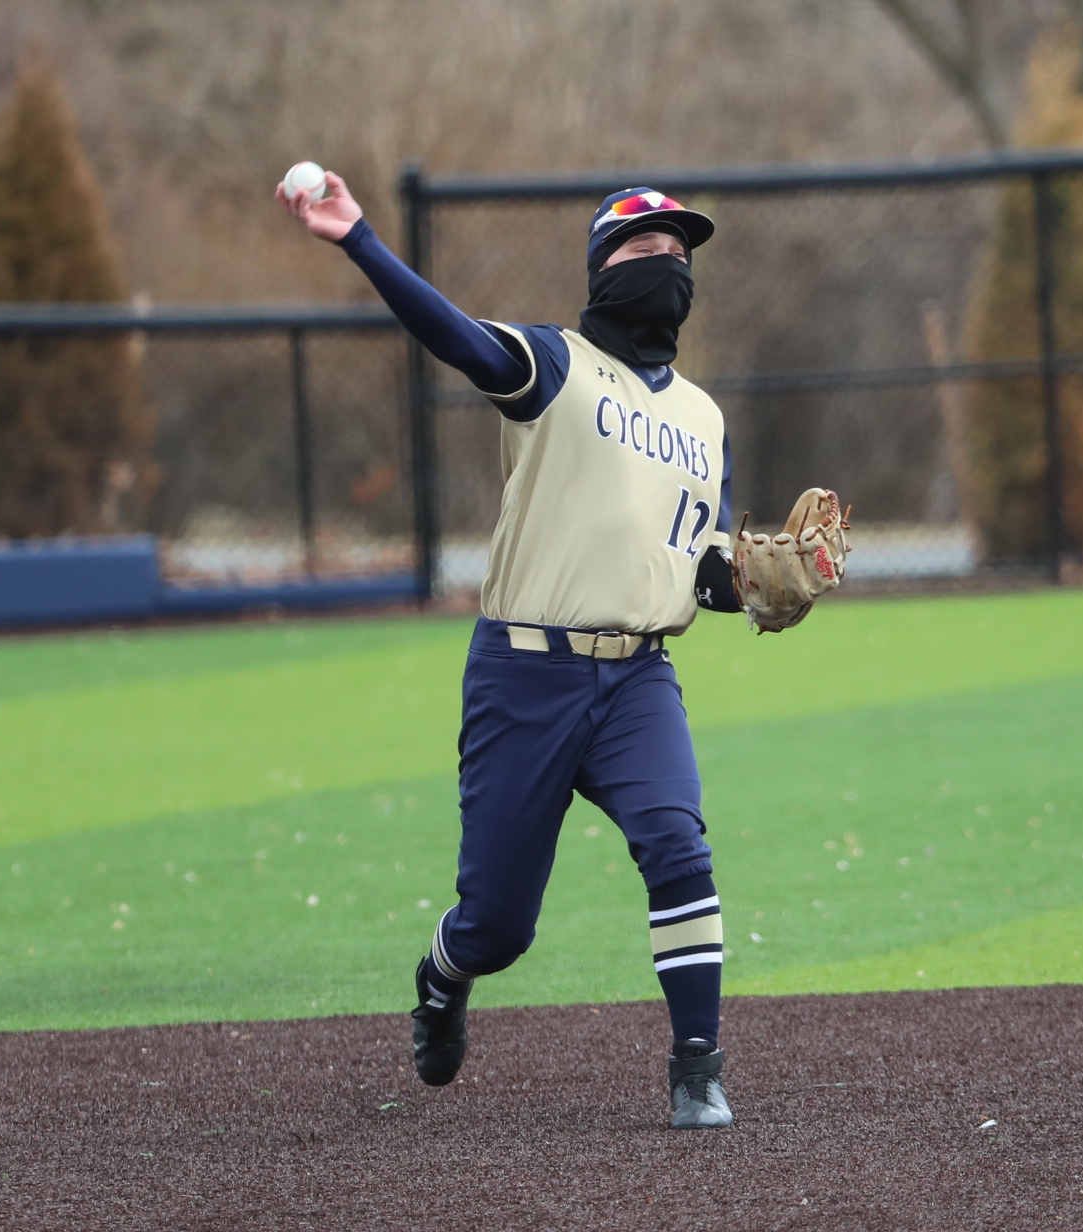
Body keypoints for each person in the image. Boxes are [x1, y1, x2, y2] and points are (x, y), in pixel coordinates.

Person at [279, 173, 746, 1129]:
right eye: (643, 248)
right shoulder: (553, 365)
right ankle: (445, 974)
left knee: (678, 846)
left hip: (638, 679)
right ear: (600, 269)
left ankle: (697, 1064)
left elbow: (706, 568)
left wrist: (763, 586)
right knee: (498, 923)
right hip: (524, 674)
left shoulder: (704, 418)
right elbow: (453, 334)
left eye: (679, 251)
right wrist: (360, 238)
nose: (666, 262)